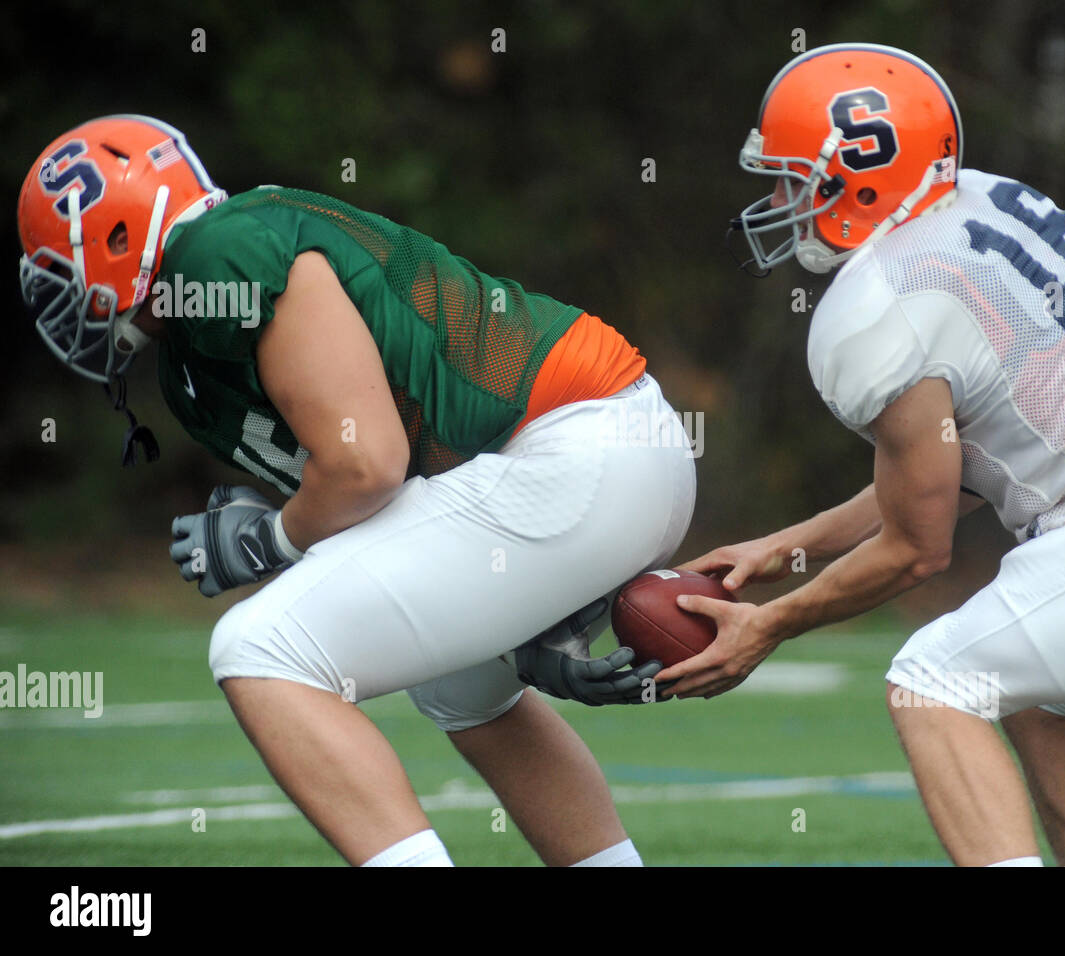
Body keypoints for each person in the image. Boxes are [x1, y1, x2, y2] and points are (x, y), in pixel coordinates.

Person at [657, 44, 1065, 866]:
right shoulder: (988, 202)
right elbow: (961, 471)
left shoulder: (877, 299)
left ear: (857, 175)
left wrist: (769, 626)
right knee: (1029, 685)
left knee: (931, 680)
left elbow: (917, 549)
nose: (777, 200)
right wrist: (790, 548)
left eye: (793, 178)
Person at [17, 114, 695, 867]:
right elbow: (392, 495)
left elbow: (365, 464)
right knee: (462, 688)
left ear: (116, 240)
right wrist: (517, 628)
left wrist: (267, 539)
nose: (62, 295)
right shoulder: (198, 323)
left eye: (60, 267)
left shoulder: (218, 254)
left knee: (261, 647)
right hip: (601, 454)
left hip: (572, 450)